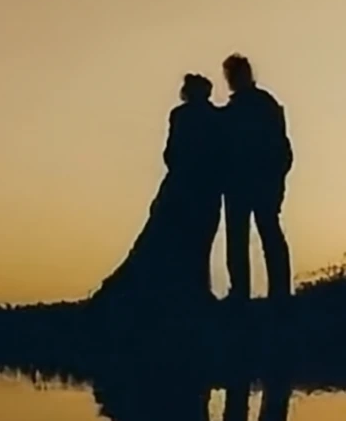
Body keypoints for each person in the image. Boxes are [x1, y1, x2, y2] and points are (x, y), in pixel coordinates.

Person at [95, 73, 222, 302]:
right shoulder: (214, 117)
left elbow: (170, 153)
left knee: (169, 238)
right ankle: (193, 289)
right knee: (197, 241)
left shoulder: (181, 116)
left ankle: (180, 290)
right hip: (204, 190)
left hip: (182, 187)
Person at [220, 54, 293, 300]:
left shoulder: (262, 105)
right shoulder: (240, 108)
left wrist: (275, 179)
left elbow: (281, 149)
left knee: (265, 233)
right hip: (240, 182)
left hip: (257, 181)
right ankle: (244, 291)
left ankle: (277, 291)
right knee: (241, 237)